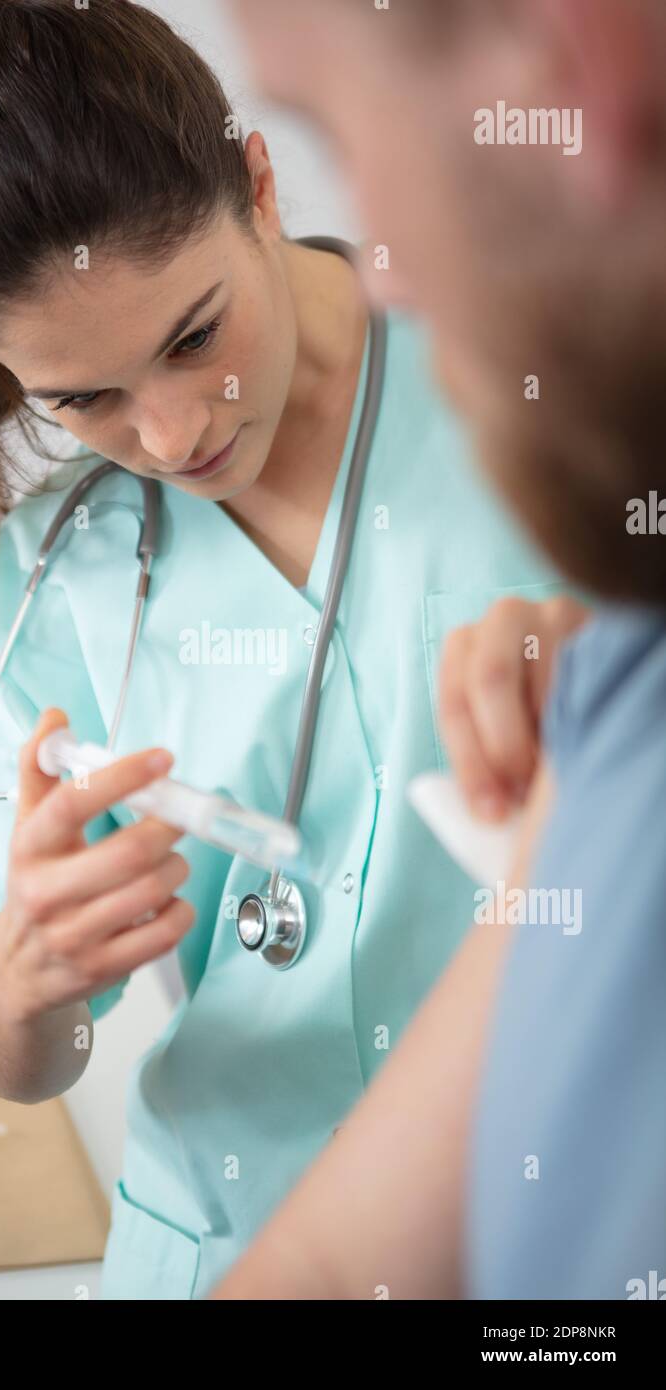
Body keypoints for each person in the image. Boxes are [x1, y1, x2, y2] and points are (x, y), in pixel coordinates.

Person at [0, 0, 580, 1300]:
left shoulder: (537, 393)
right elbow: (12, 1055)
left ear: (258, 186)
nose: (169, 437)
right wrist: (31, 973)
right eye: (82, 398)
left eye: (193, 337)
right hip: (217, 1240)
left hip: (537, 1225)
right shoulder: (63, 564)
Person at [214, 0, 666, 1297]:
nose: (385, 270)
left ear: (566, 59)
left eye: (341, 134)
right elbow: (333, 1261)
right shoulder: (617, 667)